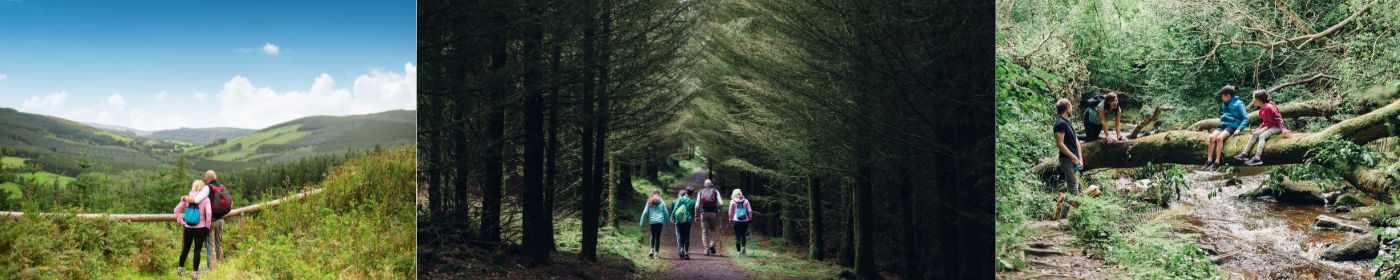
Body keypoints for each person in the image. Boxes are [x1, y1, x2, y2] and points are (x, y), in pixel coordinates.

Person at [181, 170, 223, 269]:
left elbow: (196, 200)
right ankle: (221, 266)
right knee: (219, 244)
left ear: (207, 179)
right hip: (221, 219)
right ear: (215, 177)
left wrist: (185, 198)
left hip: (208, 222)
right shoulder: (221, 187)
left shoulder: (207, 188)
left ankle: (212, 268)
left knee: (210, 246)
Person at [1234, 90, 1290, 166]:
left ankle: (1257, 158)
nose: (1252, 100)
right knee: (1255, 134)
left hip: (1277, 127)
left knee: (1262, 136)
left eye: (1253, 98)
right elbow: (1265, 122)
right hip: (1269, 126)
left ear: (1259, 99)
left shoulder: (1269, 107)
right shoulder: (1262, 109)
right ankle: (1244, 154)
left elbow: (1279, 118)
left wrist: (1283, 129)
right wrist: (1258, 129)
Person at [174, 179, 213, 279]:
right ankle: (194, 274)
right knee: (197, 250)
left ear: (193, 187)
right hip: (200, 228)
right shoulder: (205, 199)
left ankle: (180, 269)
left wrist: (182, 222)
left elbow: (176, 210)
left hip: (188, 228)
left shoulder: (188, 198)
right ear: (203, 188)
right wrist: (207, 227)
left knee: (185, 249)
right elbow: (208, 213)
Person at [1205, 85, 1249, 171]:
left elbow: (1245, 118)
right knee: (1211, 138)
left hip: (1233, 125)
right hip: (1223, 125)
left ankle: (1217, 162)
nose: (1222, 98)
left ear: (1228, 95)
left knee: (1219, 138)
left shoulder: (1239, 104)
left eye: (1222, 96)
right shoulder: (1224, 104)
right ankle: (1209, 161)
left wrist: (1239, 129)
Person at [1052, 99, 1082, 220]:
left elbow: (1076, 141)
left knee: (1078, 189)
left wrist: (1080, 159)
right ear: (1066, 108)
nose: (1072, 108)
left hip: (1074, 160)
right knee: (1073, 190)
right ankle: (1063, 217)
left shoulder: (1067, 122)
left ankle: (1064, 216)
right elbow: (1060, 144)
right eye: (1071, 106)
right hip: (1066, 161)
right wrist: (1074, 158)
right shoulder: (1060, 123)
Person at [694, 179, 726, 256]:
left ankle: (706, 250)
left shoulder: (701, 192)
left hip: (703, 213)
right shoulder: (715, 191)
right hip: (713, 213)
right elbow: (721, 203)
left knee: (704, 232)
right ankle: (712, 244)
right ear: (711, 184)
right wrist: (721, 213)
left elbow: (697, 205)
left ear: (704, 185)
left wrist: (696, 215)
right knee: (713, 230)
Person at [639, 189, 670, 259]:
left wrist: (642, 222)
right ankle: (656, 253)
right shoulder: (662, 202)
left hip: (652, 221)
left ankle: (651, 250)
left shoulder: (649, 201)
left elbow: (645, 212)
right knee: (658, 236)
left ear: (652, 193)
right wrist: (666, 222)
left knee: (653, 235)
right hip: (660, 221)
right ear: (659, 194)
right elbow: (665, 212)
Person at [728, 189, 755, 256]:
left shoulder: (732, 201)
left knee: (737, 236)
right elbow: (750, 211)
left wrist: (730, 219)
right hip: (745, 221)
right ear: (741, 193)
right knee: (743, 235)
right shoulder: (746, 201)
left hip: (736, 221)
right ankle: (743, 247)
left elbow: (730, 212)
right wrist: (750, 218)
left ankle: (738, 253)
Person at [671, 188, 696, 259]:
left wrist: (672, 216)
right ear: (692, 193)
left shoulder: (680, 199)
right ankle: (686, 252)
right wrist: (691, 219)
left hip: (679, 219)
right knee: (687, 235)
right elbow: (692, 212)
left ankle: (681, 249)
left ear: (686, 192)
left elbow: (675, 208)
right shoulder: (692, 201)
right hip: (688, 220)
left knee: (680, 234)